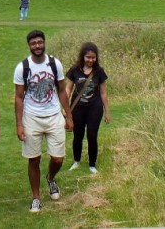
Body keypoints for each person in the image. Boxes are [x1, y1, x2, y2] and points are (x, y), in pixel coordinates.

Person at [14, 29, 73, 212]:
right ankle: (36, 197)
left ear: (44, 43)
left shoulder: (55, 64)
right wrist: (19, 124)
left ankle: (50, 178)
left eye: (40, 42)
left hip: (54, 115)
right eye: (33, 43)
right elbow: (19, 97)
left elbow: (62, 90)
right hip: (31, 117)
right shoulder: (22, 68)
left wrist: (68, 114)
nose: (37, 46)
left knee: (58, 158)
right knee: (34, 159)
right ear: (29, 46)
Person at [65, 41, 110, 174]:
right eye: (88, 57)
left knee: (92, 135)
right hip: (77, 108)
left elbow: (103, 92)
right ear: (83, 57)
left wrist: (107, 111)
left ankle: (92, 164)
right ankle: (76, 161)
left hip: (94, 108)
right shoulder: (74, 70)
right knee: (78, 135)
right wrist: (65, 107)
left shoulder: (99, 72)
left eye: (93, 57)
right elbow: (68, 89)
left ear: (96, 58)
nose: (90, 60)